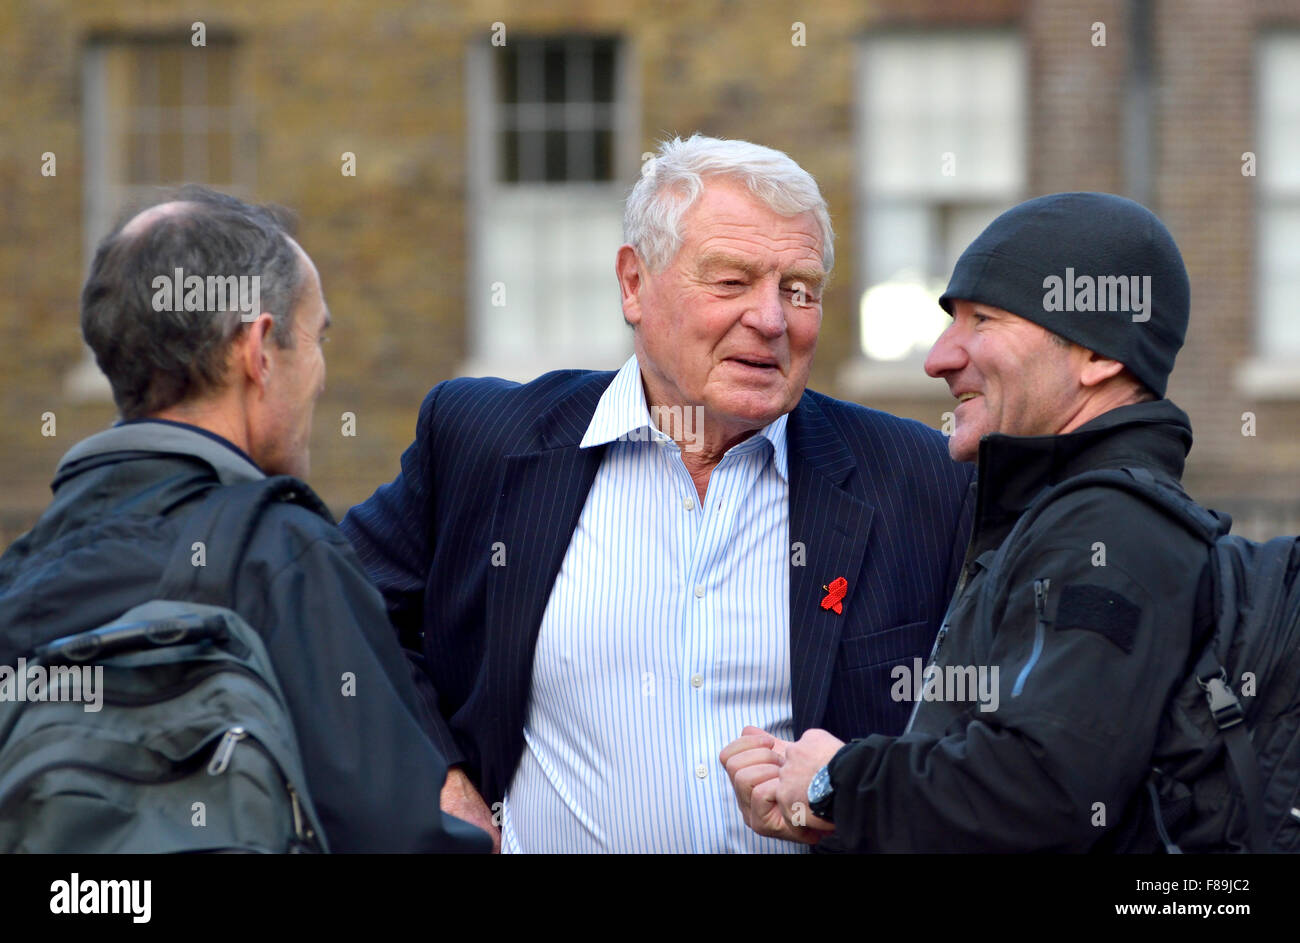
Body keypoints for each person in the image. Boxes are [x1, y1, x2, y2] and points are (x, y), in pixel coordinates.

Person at [340, 135, 974, 853]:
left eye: (798, 289)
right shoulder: (482, 442)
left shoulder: (923, 480)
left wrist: (857, 798)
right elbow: (341, 610)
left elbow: (992, 739)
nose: (771, 319)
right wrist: (442, 774)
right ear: (633, 284)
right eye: (731, 282)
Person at [722, 191, 1220, 852]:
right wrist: (832, 810)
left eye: (983, 319)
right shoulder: (1055, 517)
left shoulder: (1111, 530)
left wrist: (841, 779)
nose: (939, 357)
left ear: (1099, 356)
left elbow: (1045, 789)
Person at [0, 186, 489, 853]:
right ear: (258, 350)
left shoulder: (20, 575)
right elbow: (398, 836)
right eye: (316, 338)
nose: (319, 375)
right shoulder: (282, 551)